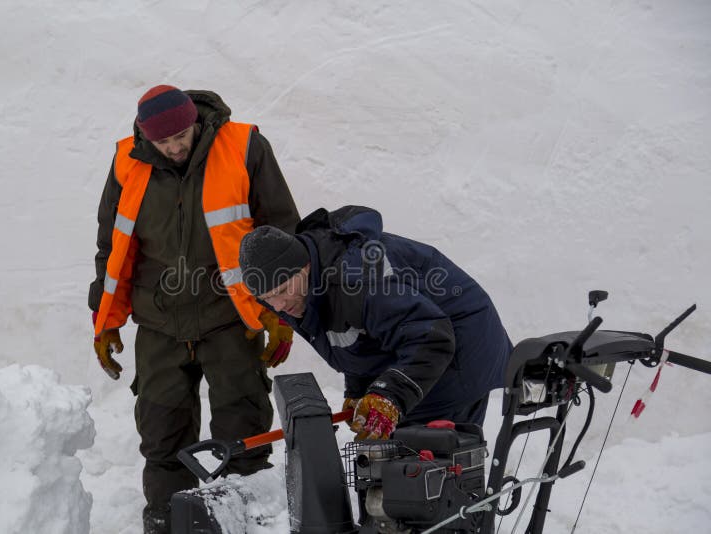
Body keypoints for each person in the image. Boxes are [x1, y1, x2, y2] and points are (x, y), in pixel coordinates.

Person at [89, 85, 299, 533]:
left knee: (243, 434)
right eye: (164, 142)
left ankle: (243, 517)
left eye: (181, 136)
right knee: (162, 434)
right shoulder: (128, 161)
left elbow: (281, 231)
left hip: (231, 318)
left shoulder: (243, 146)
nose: (175, 147)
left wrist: (280, 313)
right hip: (160, 321)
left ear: (195, 122)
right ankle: (167, 520)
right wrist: (105, 320)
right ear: (147, 138)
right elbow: (113, 246)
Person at [238, 205, 512, 440]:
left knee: (430, 467)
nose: (279, 305)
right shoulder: (299, 293)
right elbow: (358, 335)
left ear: (305, 266)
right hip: (426, 346)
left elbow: (431, 338)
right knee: (401, 468)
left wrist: (388, 395)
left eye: (282, 291)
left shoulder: (354, 279)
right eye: (267, 298)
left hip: (460, 351)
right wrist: (358, 390)